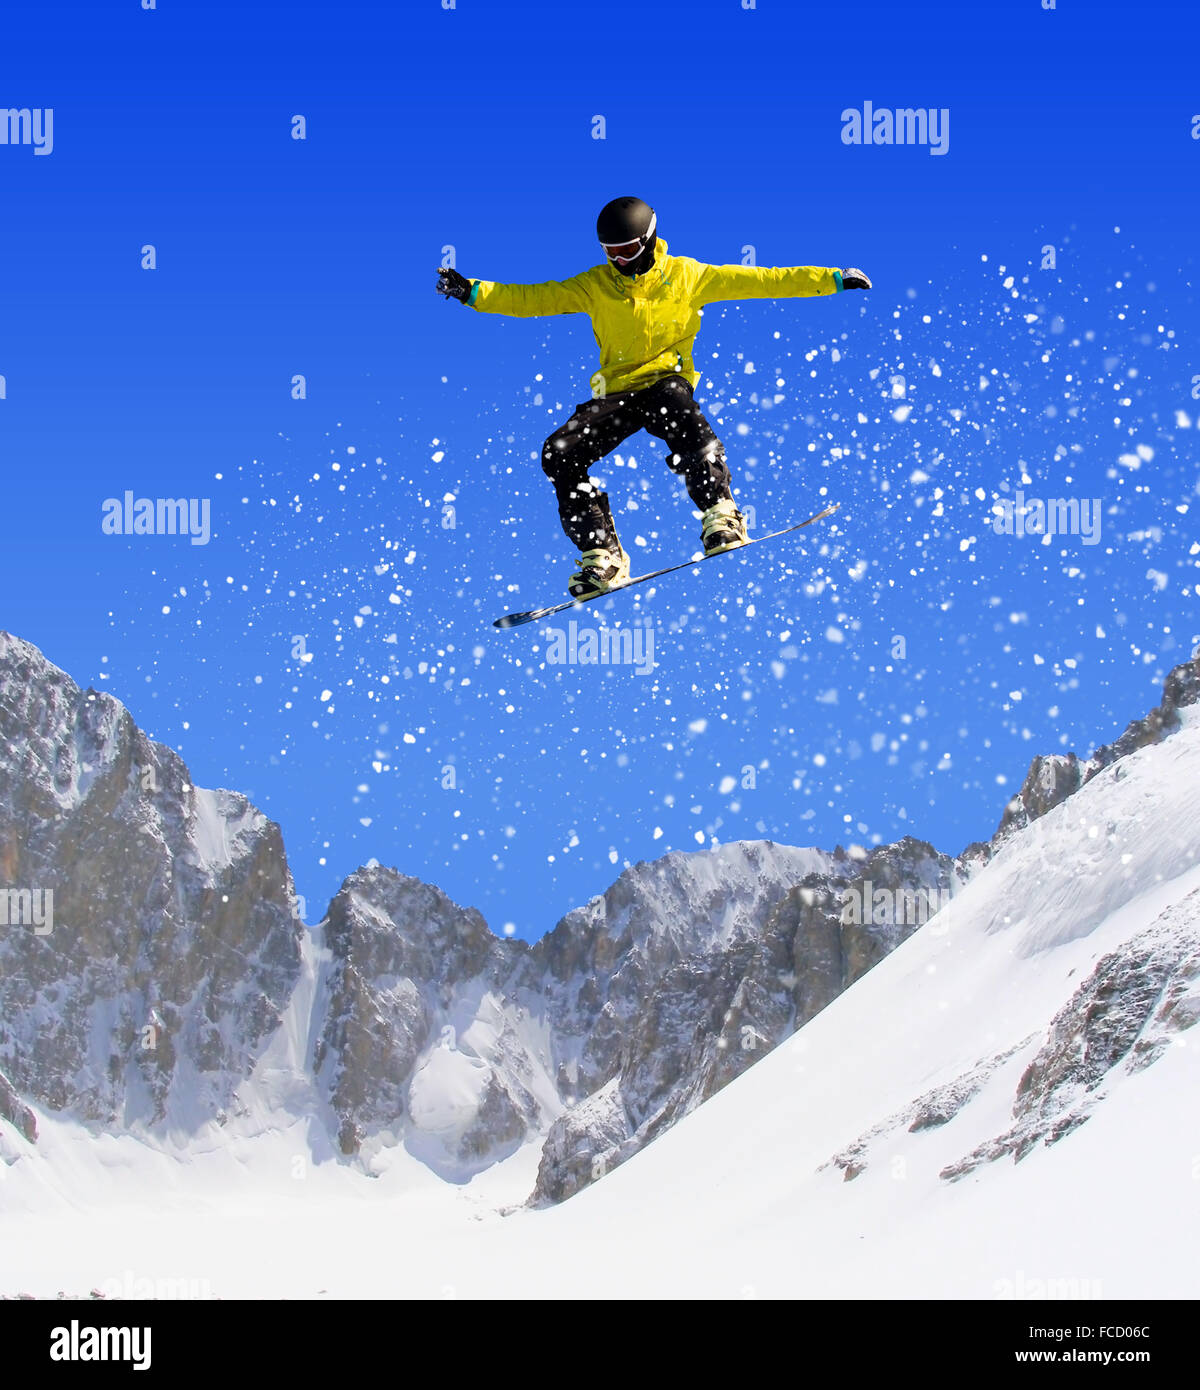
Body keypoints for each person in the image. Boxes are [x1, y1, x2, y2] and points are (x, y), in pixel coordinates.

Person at [437, 196, 871, 598]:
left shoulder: (688, 276)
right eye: (610, 252)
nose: (619, 261)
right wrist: (472, 291)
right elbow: (532, 298)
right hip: (618, 394)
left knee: (672, 399)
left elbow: (765, 280)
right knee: (558, 452)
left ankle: (721, 513)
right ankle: (603, 555)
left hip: (666, 384)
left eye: (627, 250)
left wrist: (832, 280)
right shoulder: (595, 285)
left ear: (648, 241)